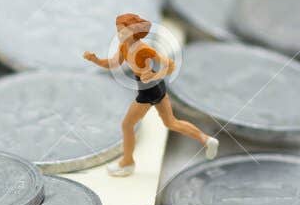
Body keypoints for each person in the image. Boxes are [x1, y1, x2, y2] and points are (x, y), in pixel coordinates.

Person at [83, 12, 218, 177]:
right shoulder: (124, 47)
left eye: (123, 31)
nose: (119, 34)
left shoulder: (144, 49)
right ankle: (206, 139)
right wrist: (95, 59)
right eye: (118, 31)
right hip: (154, 87)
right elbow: (112, 64)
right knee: (171, 122)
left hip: (149, 90)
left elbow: (170, 64)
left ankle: (127, 163)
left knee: (127, 125)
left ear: (133, 31)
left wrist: (155, 76)